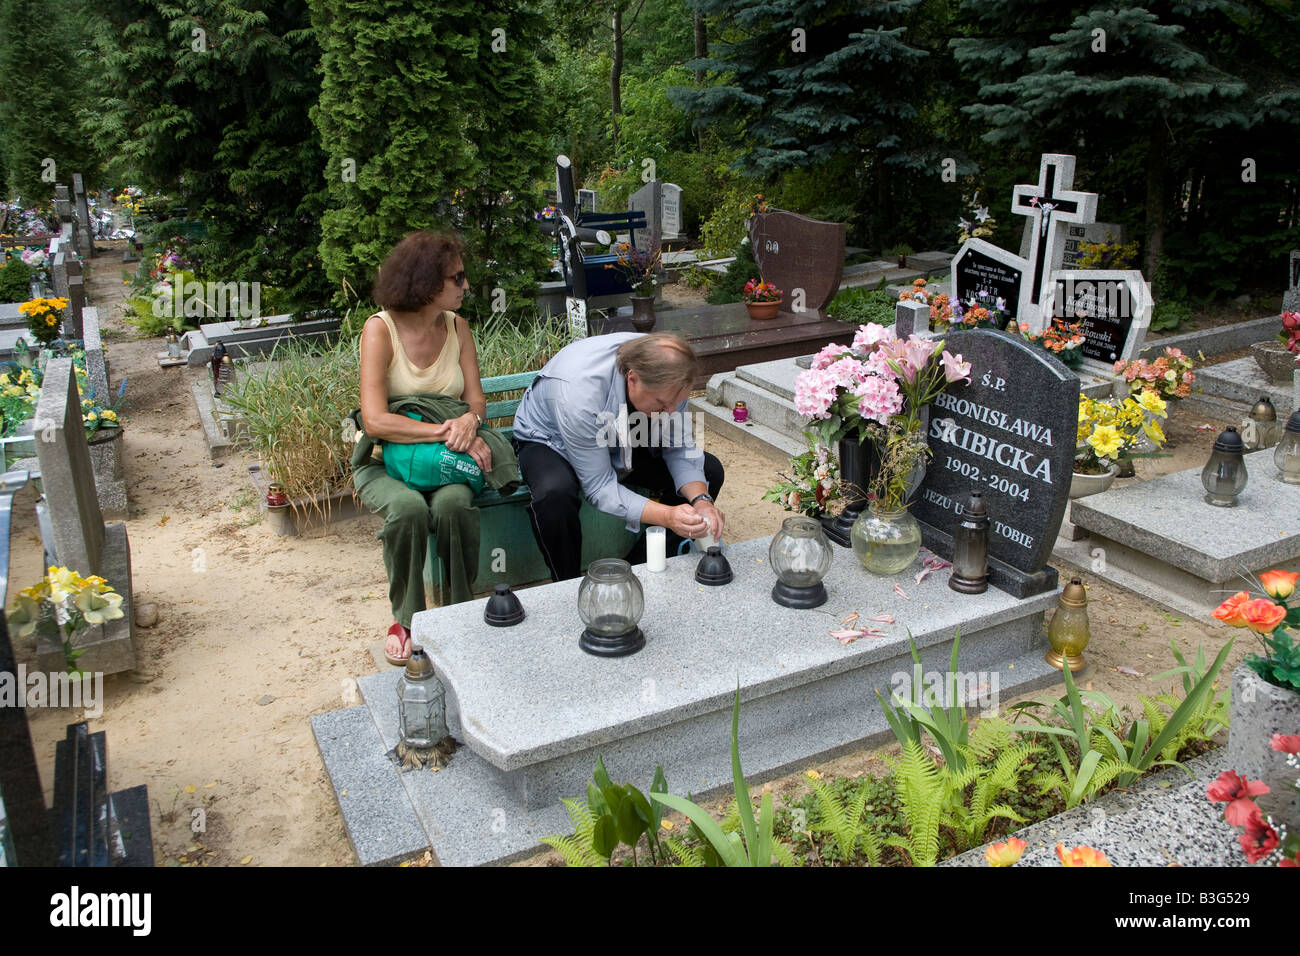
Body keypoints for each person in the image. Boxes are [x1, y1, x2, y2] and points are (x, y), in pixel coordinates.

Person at [353, 232, 508, 665]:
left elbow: (475, 400)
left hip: (446, 463)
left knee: (454, 505)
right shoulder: (379, 330)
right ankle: (406, 618)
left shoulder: (459, 327)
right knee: (408, 511)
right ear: (426, 283)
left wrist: (469, 421)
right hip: (386, 461)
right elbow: (375, 420)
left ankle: (457, 609)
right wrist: (447, 430)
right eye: (456, 278)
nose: (465, 285)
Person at [512, 331, 725, 581]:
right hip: (550, 439)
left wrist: (701, 501)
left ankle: (637, 566)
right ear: (632, 378)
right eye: (663, 403)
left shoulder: (670, 371)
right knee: (554, 494)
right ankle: (567, 584)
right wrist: (668, 516)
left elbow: (679, 447)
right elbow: (600, 487)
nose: (670, 412)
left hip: (619, 431)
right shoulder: (579, 392)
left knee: (709, 471)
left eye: (676, 403)